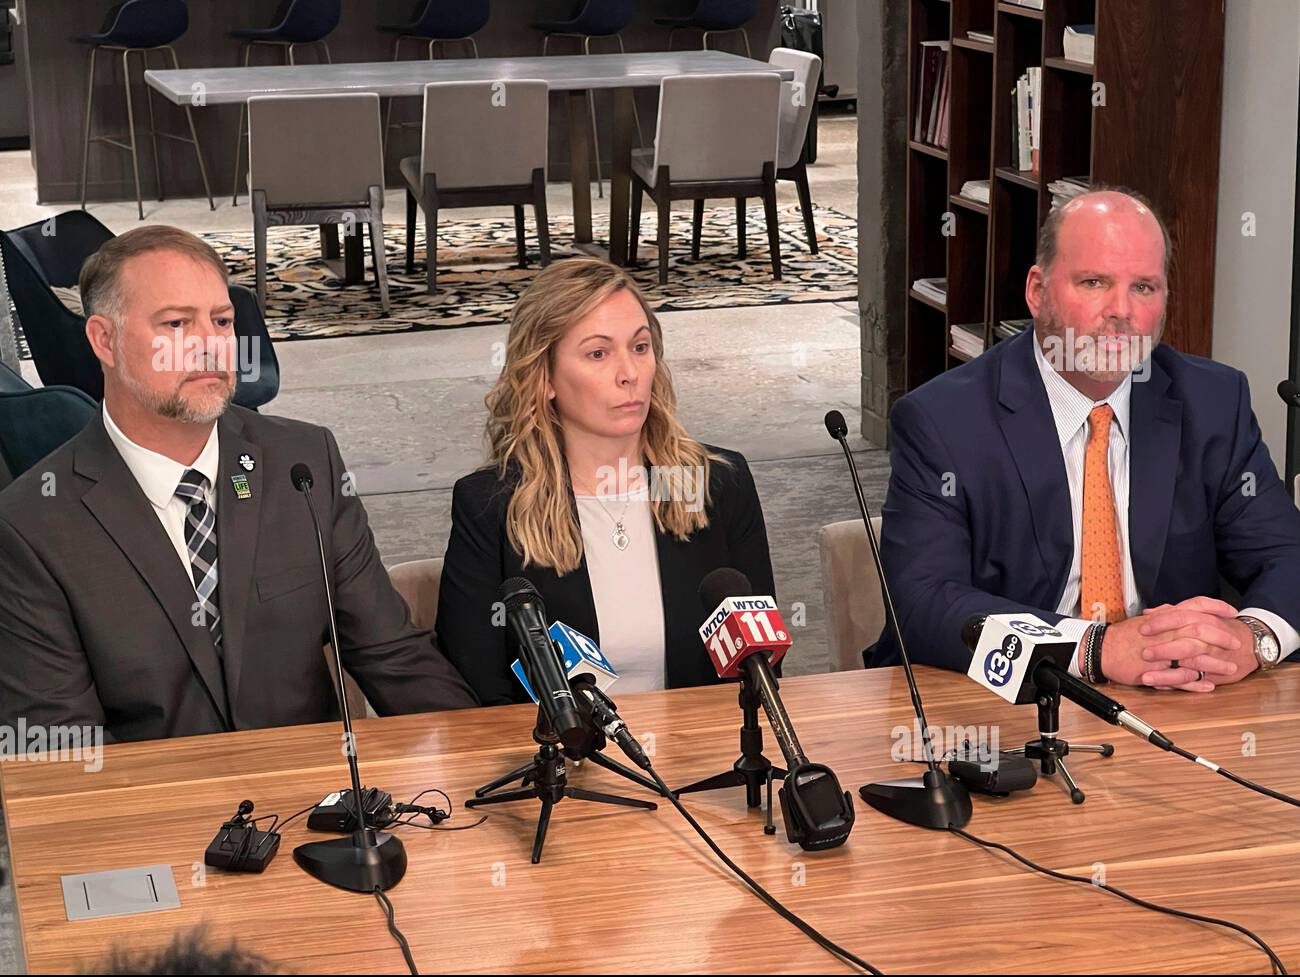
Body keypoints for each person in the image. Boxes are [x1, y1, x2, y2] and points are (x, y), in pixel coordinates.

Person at [0, 226, 475, 742]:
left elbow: (391, 654)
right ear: (104, 340)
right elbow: (61, 745)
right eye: (177, 323)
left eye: (222, 321)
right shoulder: (32, 526)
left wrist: (487, 764)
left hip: (318, 807)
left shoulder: (305, 460)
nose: (210, 346)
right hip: (161, 814)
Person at [865, 188, 1300, 692]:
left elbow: (1286, 556)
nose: (1121, 311)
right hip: (1003, 705)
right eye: (1094, 282)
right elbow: (922, 603)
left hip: (1173, 700)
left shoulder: (1213, 401)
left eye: (1144, 287)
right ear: (1037, 290)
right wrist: (1095, 648)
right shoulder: (942, 419)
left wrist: (1254, 638)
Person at [436, 257, 777, 705]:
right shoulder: (492, 506)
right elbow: (480, 688)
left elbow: (759, 665)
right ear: (545, 376)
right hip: (561, 768)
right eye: (598, 353)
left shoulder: (715, 485)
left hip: (705, 758)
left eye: (640, 347)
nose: (630, 373)